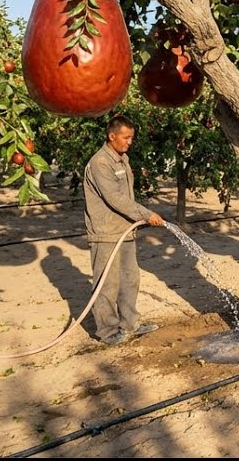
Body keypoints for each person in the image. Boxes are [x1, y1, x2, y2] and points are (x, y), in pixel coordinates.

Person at [83, 115, 166, 345]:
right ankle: (108, 332)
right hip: (106, 233)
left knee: (130, 279)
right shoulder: (101, 162)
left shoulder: (122, 159)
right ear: (112, 136)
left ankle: (130, 323)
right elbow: (115, 198)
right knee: (107, 283)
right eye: (126, 137)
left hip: (125, 231)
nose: (130, 142)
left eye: (132, 138)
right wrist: (145, 214)